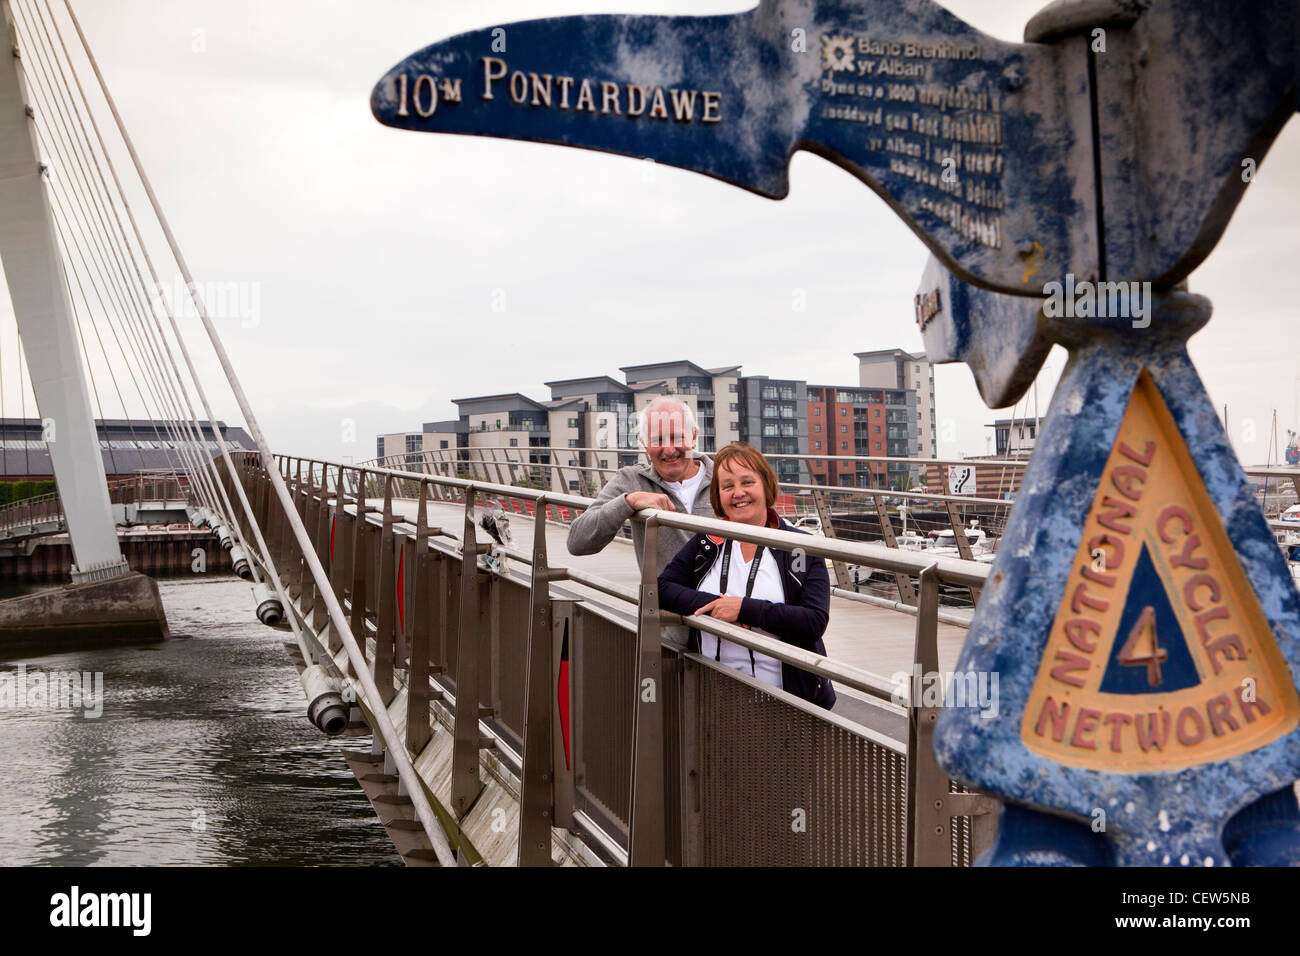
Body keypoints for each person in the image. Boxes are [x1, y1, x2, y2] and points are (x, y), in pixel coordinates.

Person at [657, 443, 835, 709]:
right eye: (727, 486)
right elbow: (662, 588)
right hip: (713, 697)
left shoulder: (800, 547)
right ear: (718, 496)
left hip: (786, 702)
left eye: (747, 482)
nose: (738, 493)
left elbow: (813, 621)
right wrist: (716, 607)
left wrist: (744, 610)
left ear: (765, 485)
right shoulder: (707, 540)